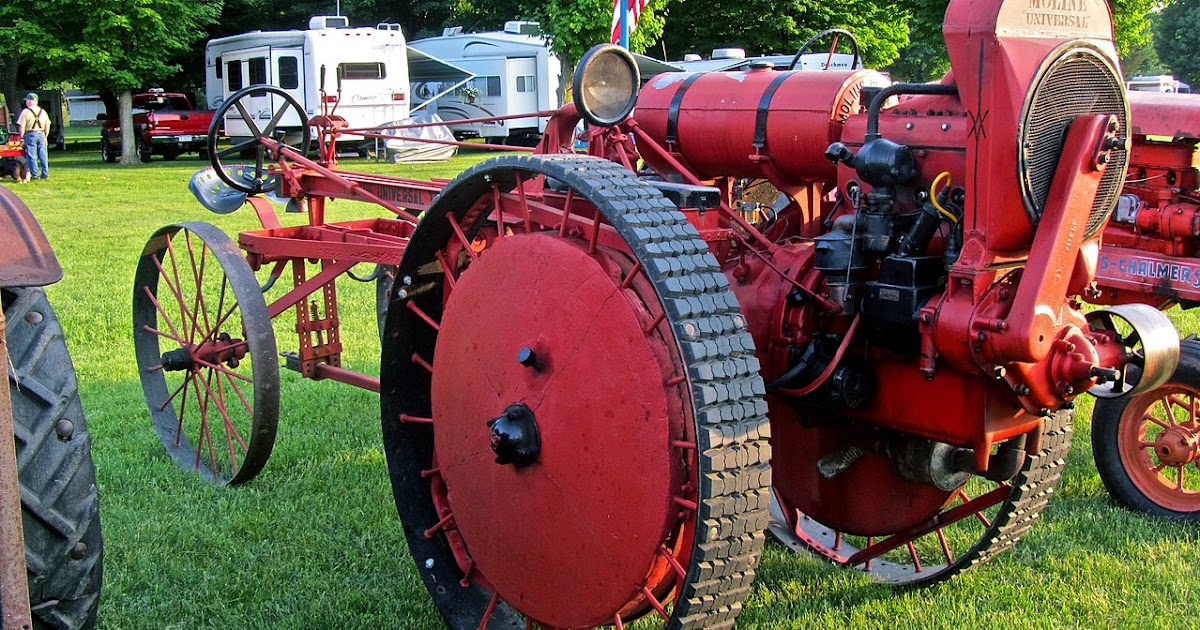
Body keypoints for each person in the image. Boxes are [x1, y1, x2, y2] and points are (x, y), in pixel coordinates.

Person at [17, 92, 50, 181]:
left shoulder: (25, 112)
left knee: (31, 156)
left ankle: (35, 175)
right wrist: (45, 136)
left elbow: (22, 126)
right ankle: (45, 173)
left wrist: (21, 137)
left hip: (30, 134)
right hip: (42, 134)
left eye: (27, 101)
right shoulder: (43, 112)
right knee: (43, 155)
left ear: (29, 101)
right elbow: (47, 125)